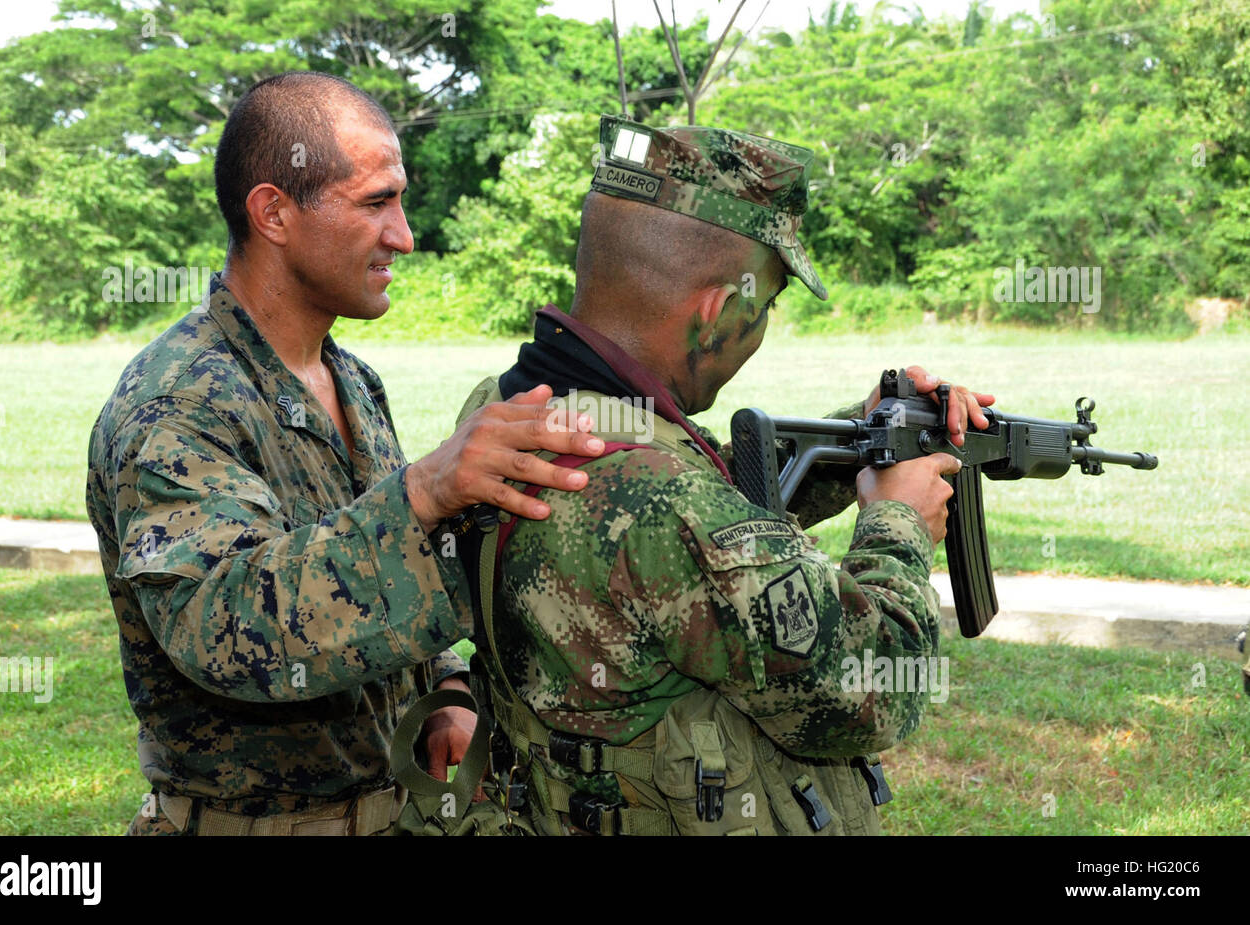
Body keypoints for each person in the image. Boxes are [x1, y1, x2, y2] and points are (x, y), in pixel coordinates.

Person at [85, 72, 603, 836]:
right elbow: (219, 624)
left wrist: (447, 692)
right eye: (375, 202)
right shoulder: (180, 400)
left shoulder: (352, 381)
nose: (404, 234)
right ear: (274, 213)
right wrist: (423, 488)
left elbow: (379, 593)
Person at [459, 115, 995, 835]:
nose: (764, 324)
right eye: (766, 303)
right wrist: (896, 522)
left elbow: (697, 532)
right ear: (714, 312)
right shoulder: (666, 505)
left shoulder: (512, 410)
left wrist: (867, 435)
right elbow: (873, 689)